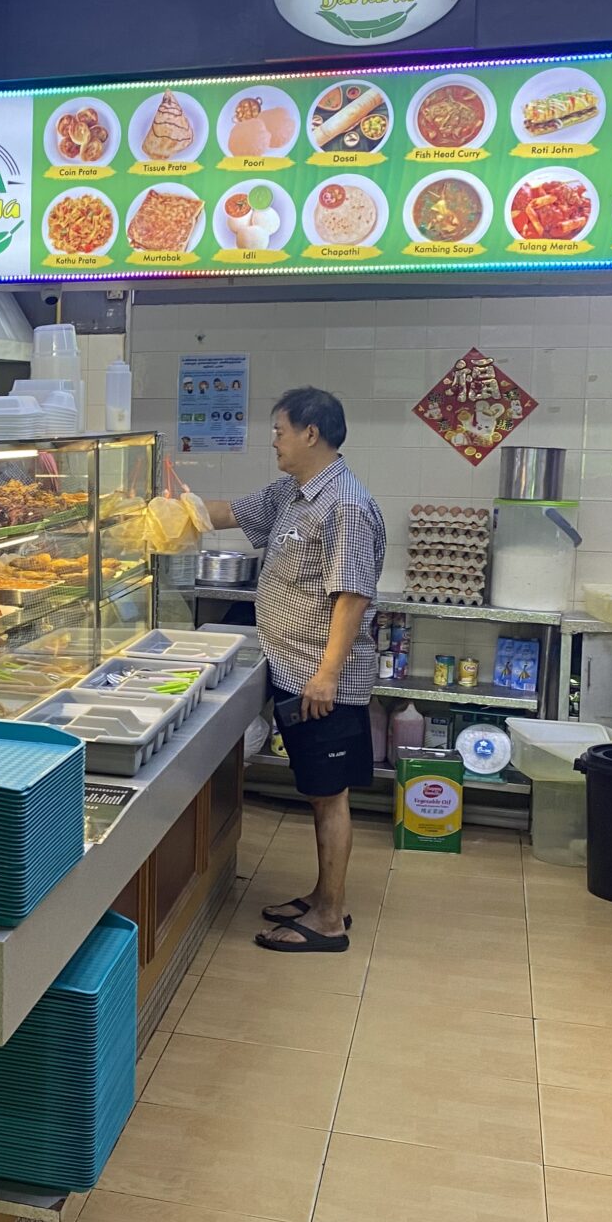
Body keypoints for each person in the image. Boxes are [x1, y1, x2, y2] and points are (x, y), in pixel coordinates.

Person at [200, 386, 386, 954]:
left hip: (320, 676)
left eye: (280, 431)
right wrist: (162, 509)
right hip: (294, 667)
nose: (274, 442)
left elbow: (351, 597)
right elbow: (228, 513)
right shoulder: (292, 493)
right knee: (317, 790)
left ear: (311, 432)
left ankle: (329, 919)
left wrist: (326, 676)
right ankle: (323, 895)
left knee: (329, 795)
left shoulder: (345, 504)